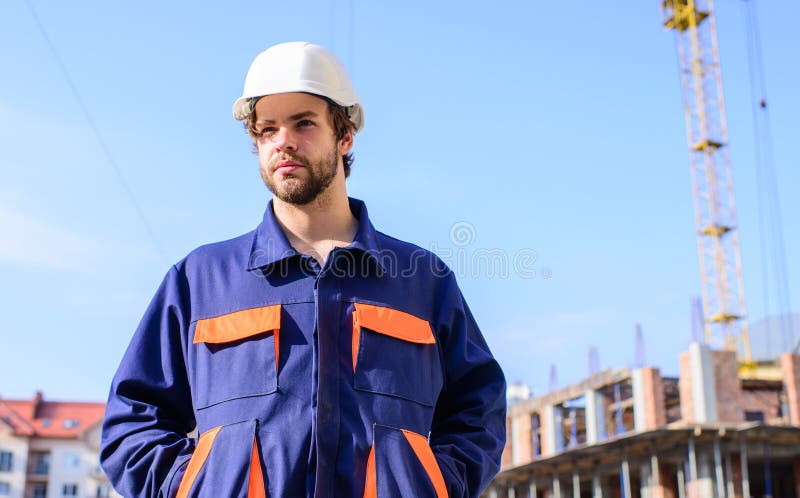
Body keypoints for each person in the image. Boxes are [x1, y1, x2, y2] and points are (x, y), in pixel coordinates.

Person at [100, 41, 506, 498]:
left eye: (304, 123)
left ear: (345, 134)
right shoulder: (200, 280)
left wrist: (436, 485)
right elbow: (131, 422)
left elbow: (479, 409)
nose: (283, 142)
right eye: (267, 128)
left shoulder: (422, 280)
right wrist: (192, 487)